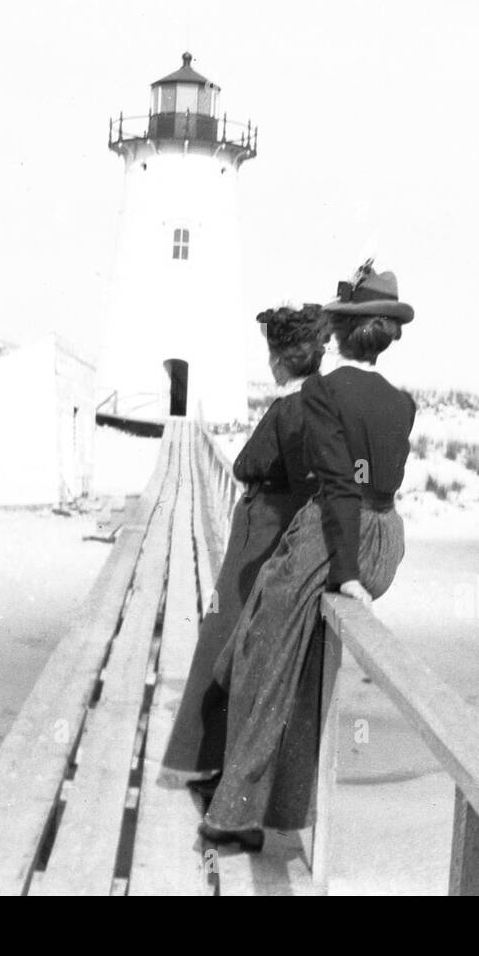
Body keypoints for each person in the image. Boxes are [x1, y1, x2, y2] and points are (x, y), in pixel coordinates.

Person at [199, 262, 417, 849]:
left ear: (338, 334)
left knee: (262, 658)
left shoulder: (323, 391)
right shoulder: (403, 402)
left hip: (335, 537)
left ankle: (236, 813)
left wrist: (342, 572)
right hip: (386, 540)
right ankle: (280, 807)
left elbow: (341, 488)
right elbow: (377, 484)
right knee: (284, 651)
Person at [162, 303, 330, 787]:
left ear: (281, 360)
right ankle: (215, 762)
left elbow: (305, 481)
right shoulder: (306, 404)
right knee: (234, 639)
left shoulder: (295, 408)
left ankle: (213, 764)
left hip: (263, 536)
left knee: (227, 638)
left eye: (272, 354)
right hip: (260, 530)